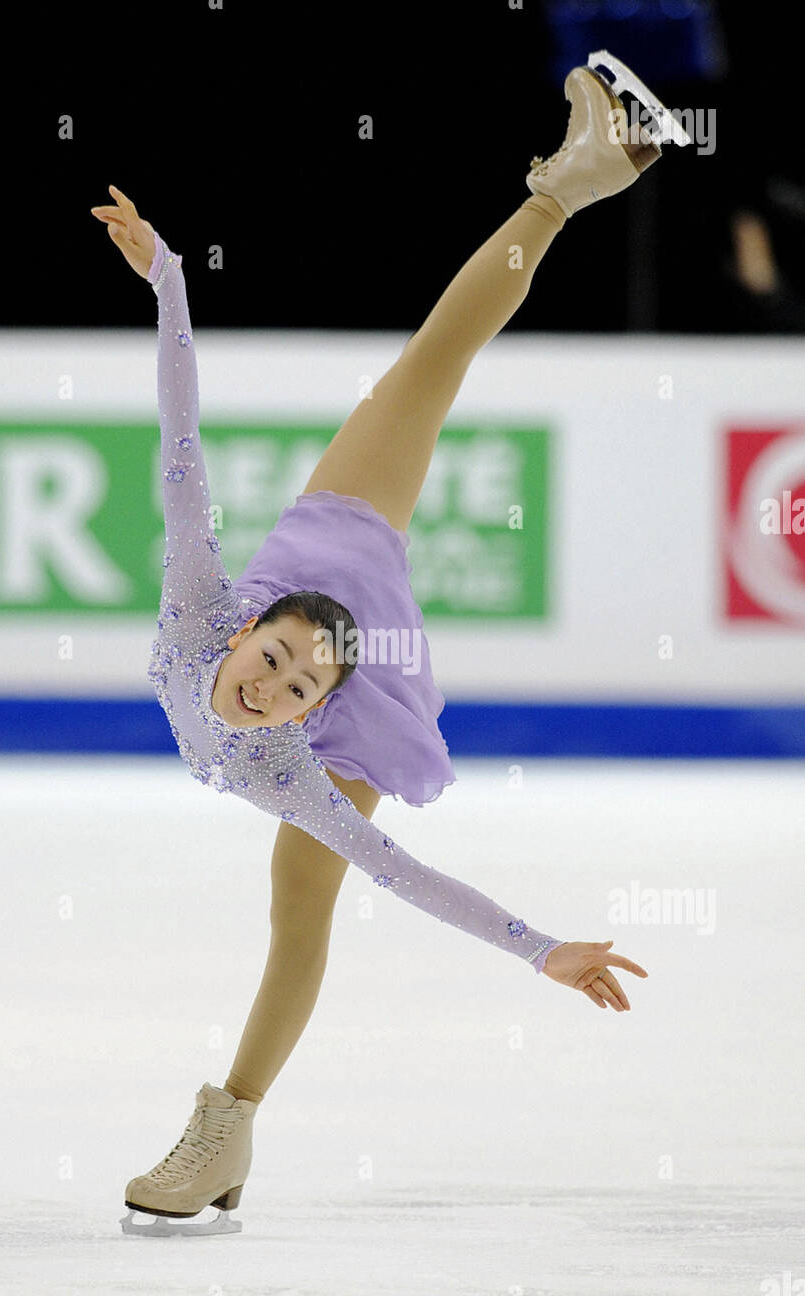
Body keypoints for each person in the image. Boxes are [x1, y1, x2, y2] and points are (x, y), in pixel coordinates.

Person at [92, 55, 658, 1235]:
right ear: (245, 624)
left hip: (364, 643)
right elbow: (178, 440)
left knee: (301, 899)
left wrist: (544, 948)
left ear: (310, 716)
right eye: (271, 662)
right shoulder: (205, 603)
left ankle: (224, 1125)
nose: (267, 688)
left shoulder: (299, 758)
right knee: (425, 368)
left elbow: (407, 878)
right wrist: (172, 283)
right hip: (329, 559)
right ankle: (576, 178)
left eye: (291, 692)